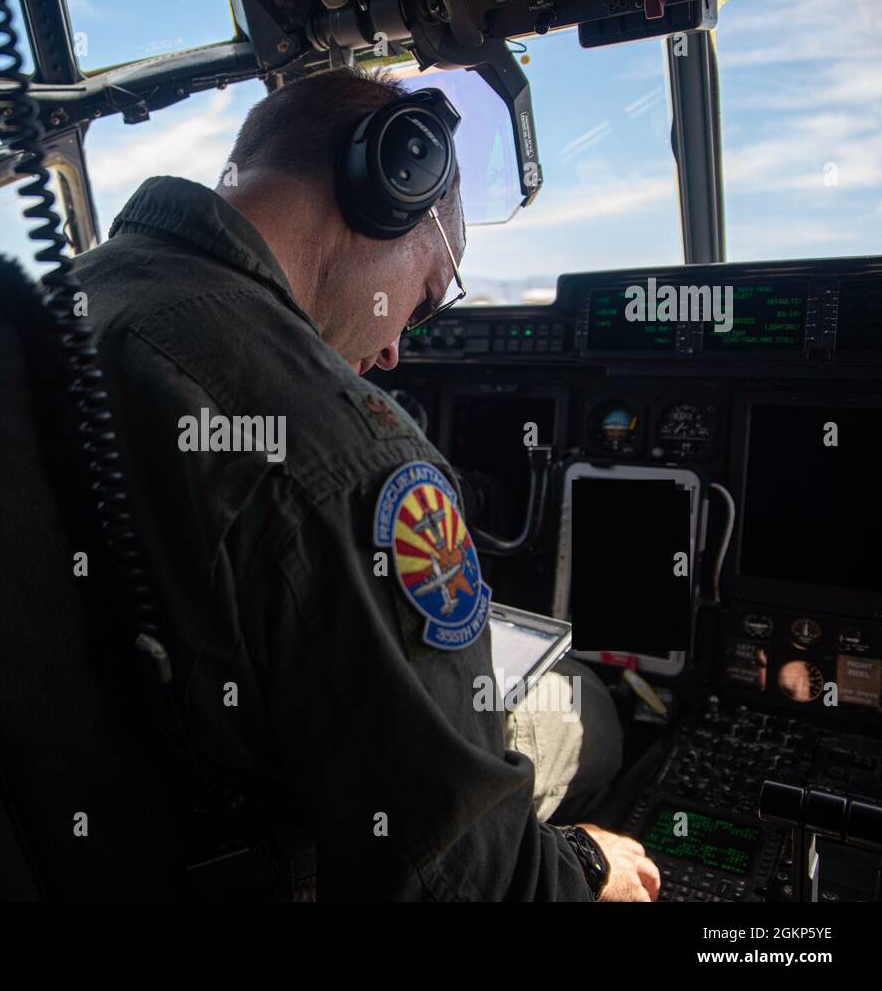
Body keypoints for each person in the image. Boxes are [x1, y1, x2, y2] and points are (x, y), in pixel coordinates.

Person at [72, 66, 660, 901]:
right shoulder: (348, 457)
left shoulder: (74, 299)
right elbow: (462, 879)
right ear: (386, 192)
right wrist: (587, 865)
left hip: (108, 816)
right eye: (421, 301)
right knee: (585, 706)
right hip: (255, 850)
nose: (393, 354)